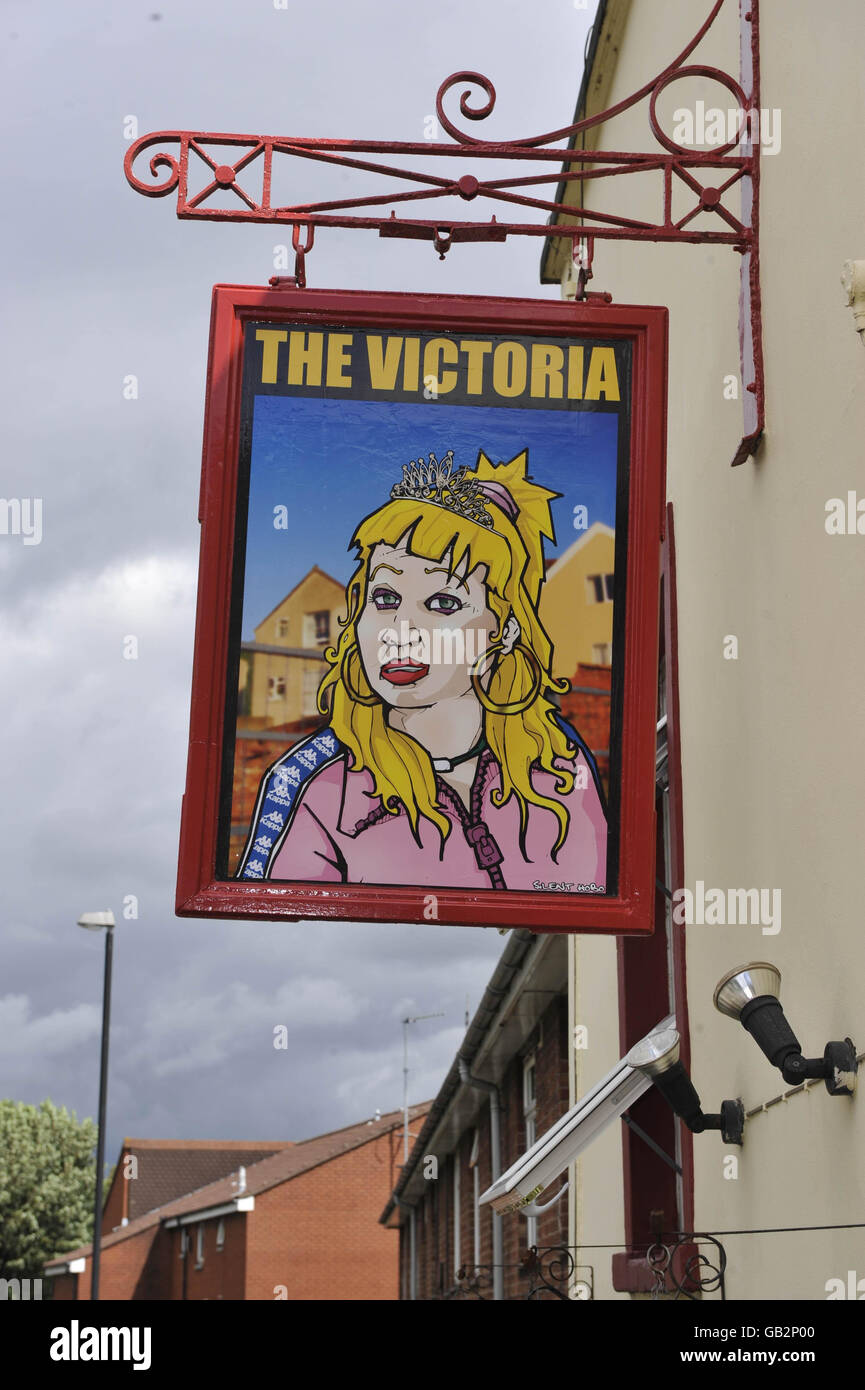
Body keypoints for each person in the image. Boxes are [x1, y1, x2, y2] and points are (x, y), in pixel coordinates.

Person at [236, 448, 607, 892]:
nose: (401, 632)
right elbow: (279, 931)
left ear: (504, 631)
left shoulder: (558, 761)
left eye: (443, 603)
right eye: (386, 599)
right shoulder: (310, 783)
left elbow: (591, 900)